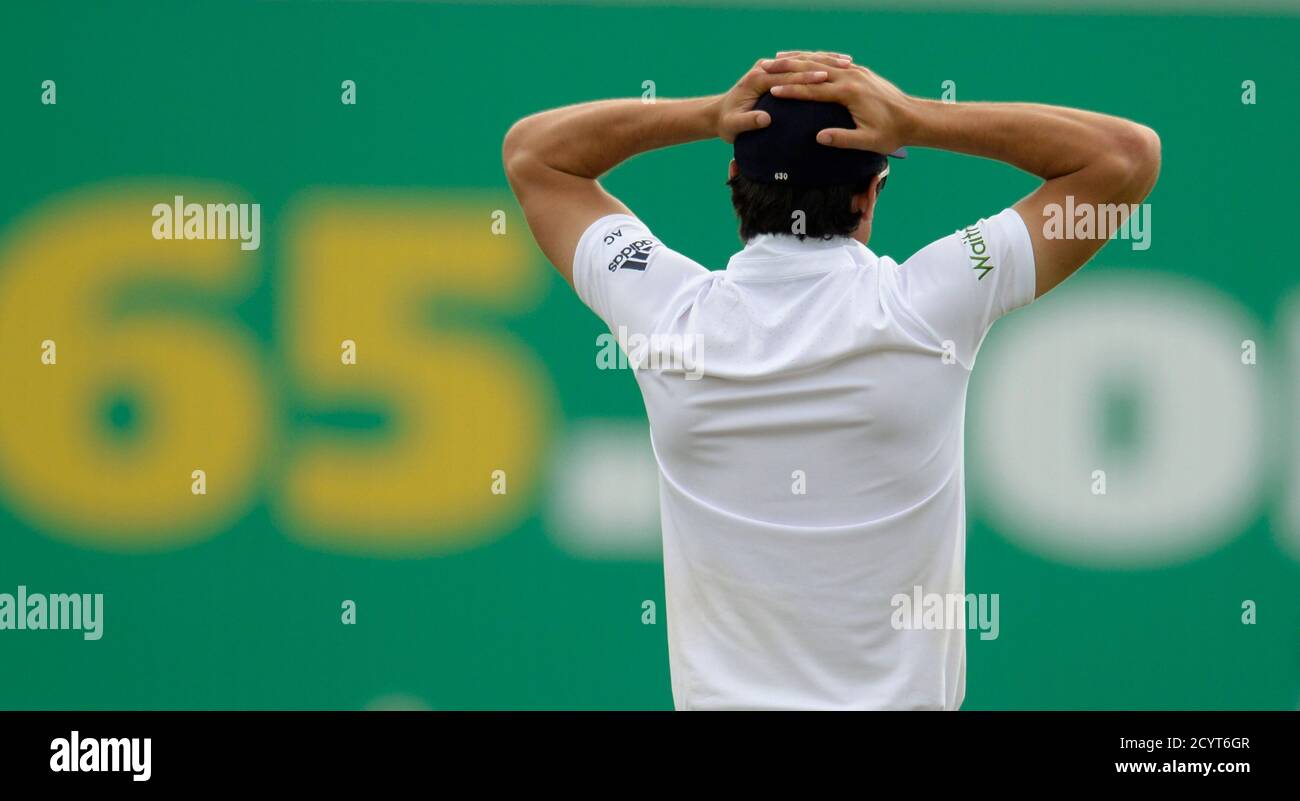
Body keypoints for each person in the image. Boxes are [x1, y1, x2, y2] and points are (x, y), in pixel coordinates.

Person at [502, 52, 1160, 710]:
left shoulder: (668, 316)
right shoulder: (929, 307)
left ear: (735, 178)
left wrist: (706, 115)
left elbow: (535, 154)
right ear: (870, 192)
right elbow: (1124, 157)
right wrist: (917, 118)